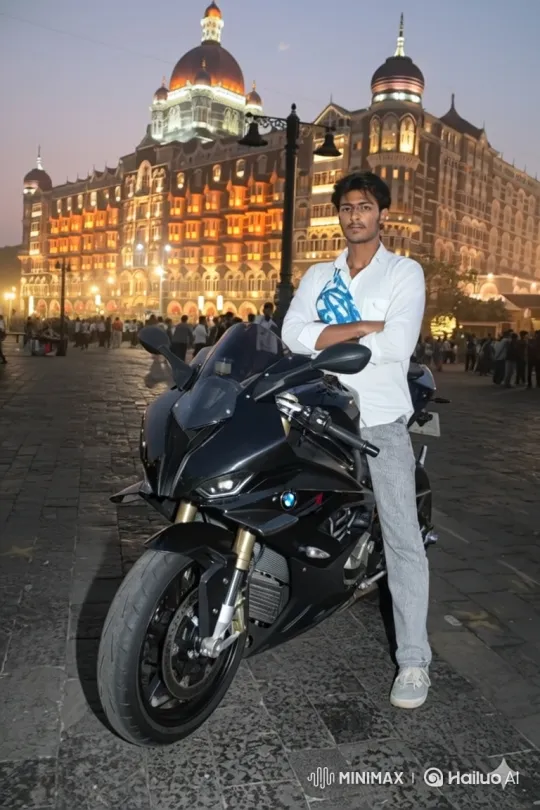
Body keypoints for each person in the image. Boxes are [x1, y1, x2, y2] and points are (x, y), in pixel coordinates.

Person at [282, 171, 431, 709]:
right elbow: (289, 334)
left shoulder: (404, 272)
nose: (353, 216)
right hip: (318, 413)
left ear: (381, 214)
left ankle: (414, 660)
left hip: (379, 418)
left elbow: (395, 347)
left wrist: (328, 335)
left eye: (364, 206)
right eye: (346, 208)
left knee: (402, 537)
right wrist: (361, 327)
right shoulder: (320, 275)